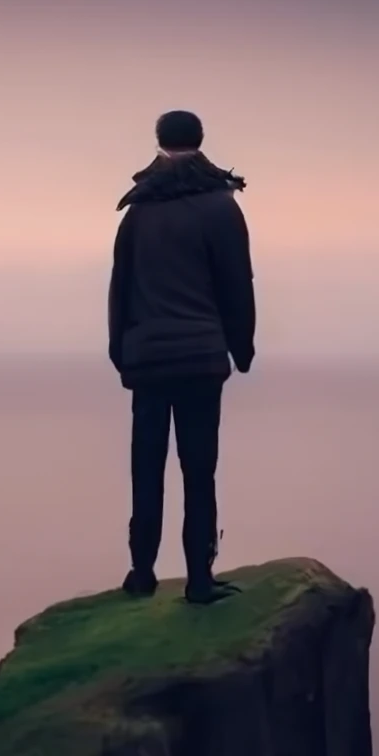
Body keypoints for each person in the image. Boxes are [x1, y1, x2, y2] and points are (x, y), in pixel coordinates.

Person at [108, 110, 255, 605]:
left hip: (147, 359)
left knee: (145, 466)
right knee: (199, 468)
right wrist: (242, 345)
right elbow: (237, 285)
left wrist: (120, 352)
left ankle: (141, 573)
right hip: (200, 357)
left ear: (158, 141)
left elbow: (120, 289)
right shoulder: (221, 206)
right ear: (200, 140)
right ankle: (198, 579)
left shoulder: (138, 211)